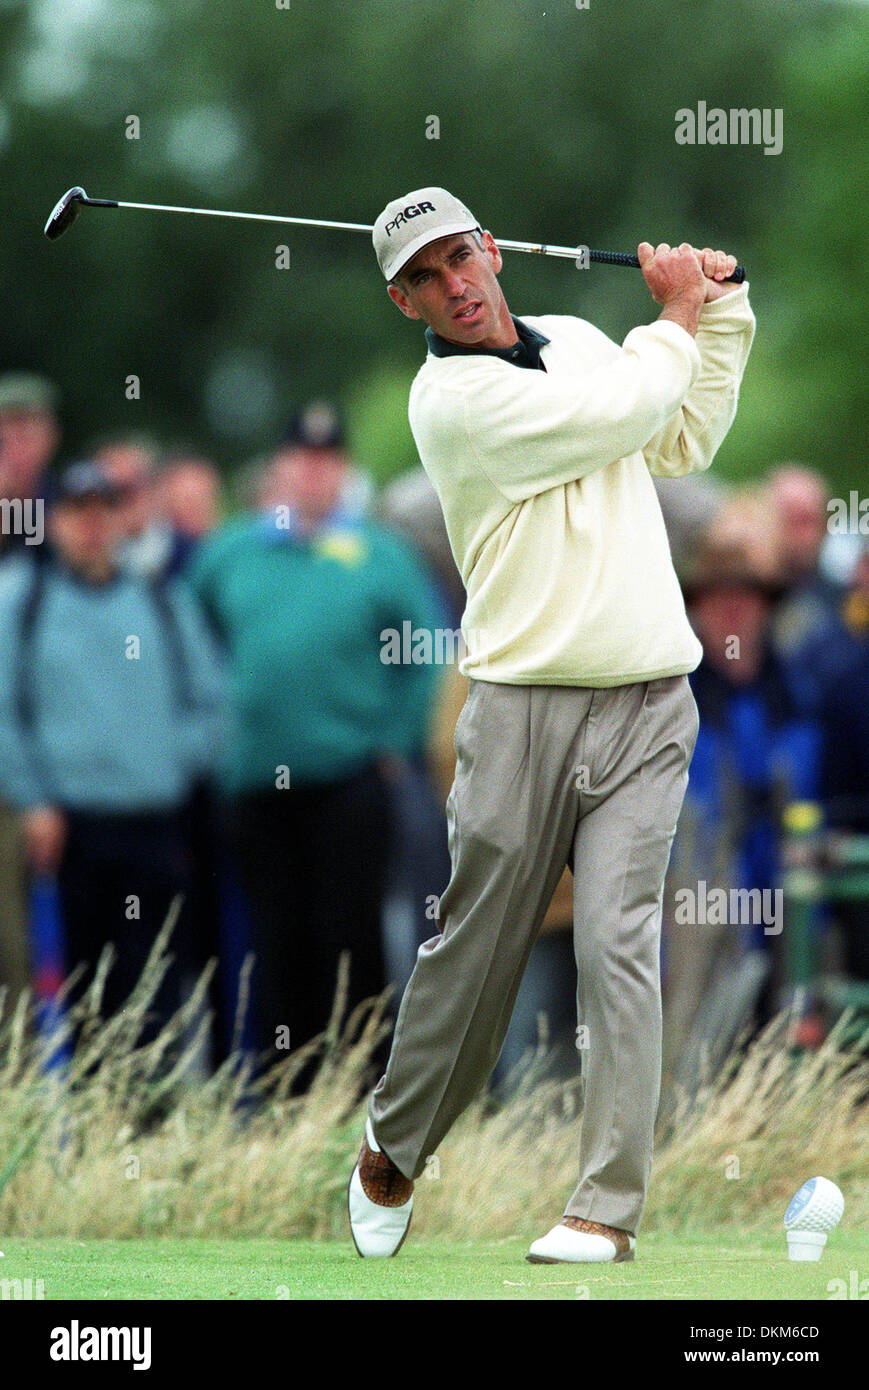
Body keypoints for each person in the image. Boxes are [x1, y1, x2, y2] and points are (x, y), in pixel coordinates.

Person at [347, 187, 755, 1263]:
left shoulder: (578, 340)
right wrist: (668, 319)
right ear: (406, 304)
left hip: (648, 701)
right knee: (474, 951)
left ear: (491, 248)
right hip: (521, 705)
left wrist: (718, 317)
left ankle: (602, 1211)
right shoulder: (450, 405)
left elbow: (676, 439)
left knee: (619, 947)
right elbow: (620, 413)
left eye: (460, 258)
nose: (456, 286)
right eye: (426, 279)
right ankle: (394, 1141)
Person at [189, 402, 443, 1074]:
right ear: (277, 467)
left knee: (352, 940)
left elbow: (423, 652)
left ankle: (360, 1089)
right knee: (276, 944)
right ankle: (283, 1096)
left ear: (344, 471)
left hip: (351, 779)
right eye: (301, 459)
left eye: (327, 461)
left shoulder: (378, 554)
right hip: (256, 782)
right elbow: (191, 640)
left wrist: (394, 739)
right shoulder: (232, 552)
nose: (312, 473)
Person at [0, 461, 223, 1035]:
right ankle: (93, 1116)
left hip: (155, 826)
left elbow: (213, 700)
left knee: (156, 987)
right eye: (78, 512)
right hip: (68, 831)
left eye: (104, 511)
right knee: (77, 991)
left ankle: (150, 1117)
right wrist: (34, 798)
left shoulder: (160, 599)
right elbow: (5, 710)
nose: (93, 525)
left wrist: (168, 763)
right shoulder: (20, 602)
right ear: (53, 521)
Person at [0, 372, 62, 1010]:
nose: (16, 443)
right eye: (5, 430)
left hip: (51, 745)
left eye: (27, 429)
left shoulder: (66, 506)